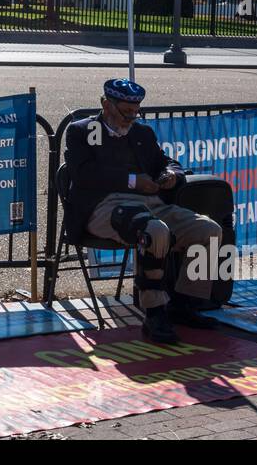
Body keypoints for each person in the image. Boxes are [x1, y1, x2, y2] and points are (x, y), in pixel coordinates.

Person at [63, 78, 223, 344]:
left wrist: (171, 174)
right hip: (104, 206)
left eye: (136, 111)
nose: (132, 117)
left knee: (210, 231)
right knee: (154, 231)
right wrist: (134, 181)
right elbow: (84, 174)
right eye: (126, 111)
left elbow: (165, 162)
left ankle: (184, 304)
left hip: (151, 204)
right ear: (106, 104)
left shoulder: (141, 133)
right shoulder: (82, 131)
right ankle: (154, 312)